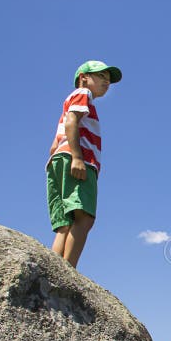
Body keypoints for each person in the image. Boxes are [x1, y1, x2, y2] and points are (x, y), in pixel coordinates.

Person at [46, 60, 122, 268]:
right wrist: (78, 158)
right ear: (84, 78)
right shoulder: (83, 95)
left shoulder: (69, 102)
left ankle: (54, 269)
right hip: (77, 159)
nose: (106, 83)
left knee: (65, 224)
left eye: (108, 80)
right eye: (102, 77)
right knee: (84, 217)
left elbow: (54, 146)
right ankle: (67, 272)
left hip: (59, 159)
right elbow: (72, 122)